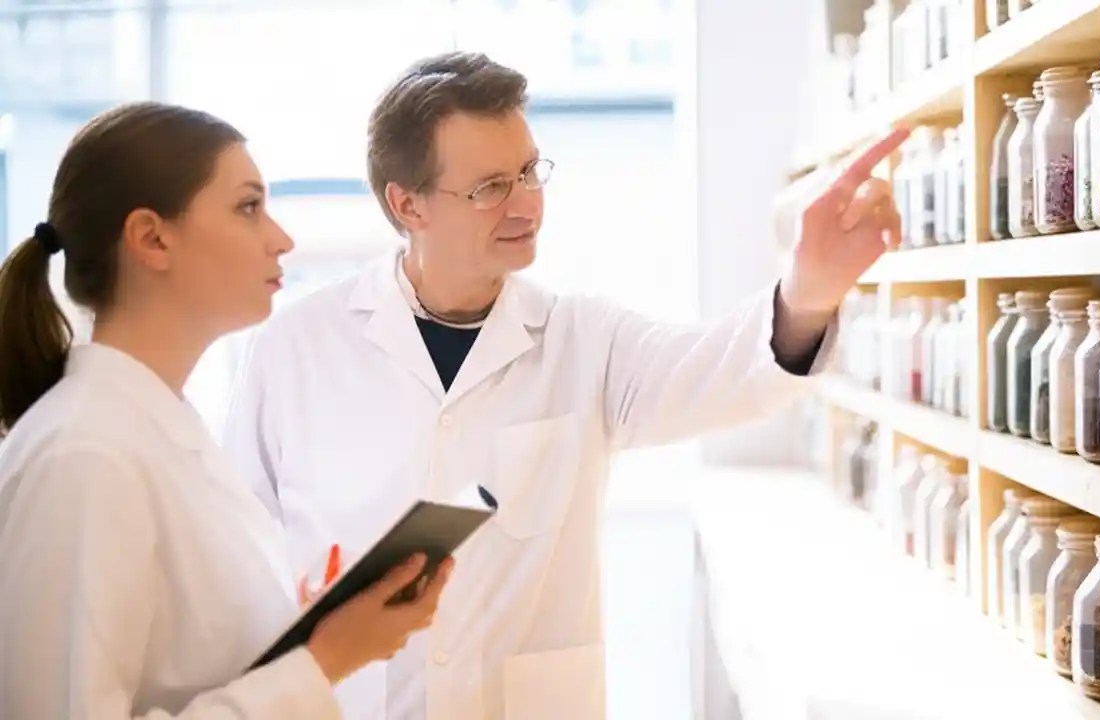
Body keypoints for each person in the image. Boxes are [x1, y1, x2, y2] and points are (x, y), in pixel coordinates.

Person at [222, 51, 905, 720]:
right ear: (408, 205)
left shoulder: (582, 338)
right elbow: (236, 562)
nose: (525, 205)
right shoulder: (293, 350)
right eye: (491, 187)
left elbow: (721, 373)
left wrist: (809, 291)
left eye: (528, 173)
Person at [0, 102, 456, 719]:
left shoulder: (157, 432)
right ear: (151, 238)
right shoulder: (85, 456)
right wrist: (323, 662)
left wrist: (298, 633)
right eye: (248, 207)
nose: (281, 239)